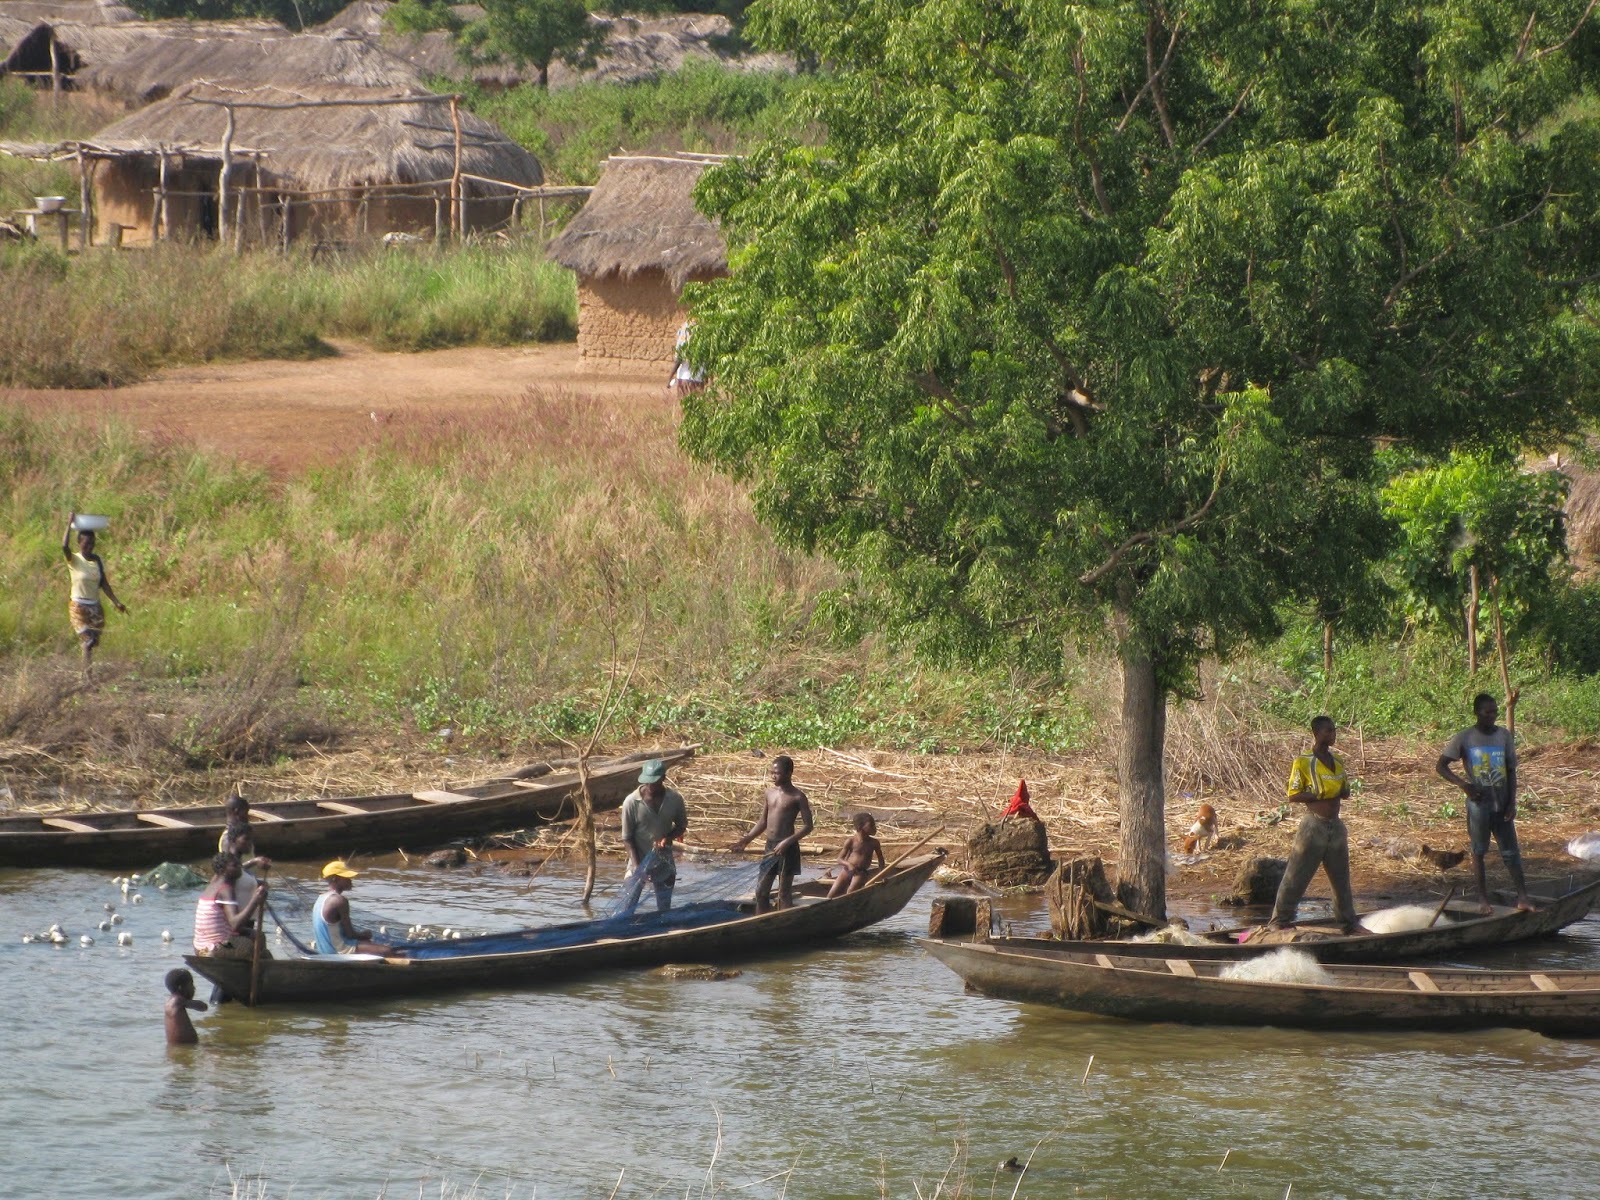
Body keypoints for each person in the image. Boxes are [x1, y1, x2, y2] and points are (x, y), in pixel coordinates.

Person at [1437, 693, 1535, 914]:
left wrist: (1512, 802)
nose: (1492, 716)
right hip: (1479, 805)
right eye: (1487, 712)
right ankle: (1483, 899)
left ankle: (1523, 897)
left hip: (1501, 803)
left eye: (1495, 712)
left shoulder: (1504, 736)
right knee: (1479, 851)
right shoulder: (1465, 738)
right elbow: (1441, 766)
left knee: (1510, 852)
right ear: (1476, 713)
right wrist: (1464, 785)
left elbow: (1511, 770)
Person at [1268, 716, 1364, 935]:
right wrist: (1321, 794)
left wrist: (1339, 791)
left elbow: (1345, 791)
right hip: (1314, 826)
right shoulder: (1304, 762)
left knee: (1341, 879)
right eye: (1328, 731)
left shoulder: (1337, 761)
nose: (1333, 735)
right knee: (1296, 875)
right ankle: (1280, 921)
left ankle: (1348, 923)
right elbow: (1293, 795)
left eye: (1334, 730)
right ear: (1316, 733)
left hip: (1335, 827)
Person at [731, 755, 815, 912]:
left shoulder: (798, 796)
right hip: (770, 846)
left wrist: (787, 842)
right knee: (761, 892)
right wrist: (746, 840)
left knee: (784, 893)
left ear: (789, 773)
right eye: (772, 773)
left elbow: (808, 826)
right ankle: (761, 922)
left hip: (787, 848)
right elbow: (763, 822)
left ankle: (785, 922)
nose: (773, 776)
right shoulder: (769, 793)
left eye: (777, 773)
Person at [62, 511, 128, 677]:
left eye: (92, 543)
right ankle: (87, 676)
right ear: (80, 543)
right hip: (78, 606)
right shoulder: (74, 559)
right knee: (88, 641)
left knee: (94, 641)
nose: (89, 546)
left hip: (95, 606)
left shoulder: (96, 560)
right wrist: (69, 524)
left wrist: (116, 602)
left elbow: (103, 583)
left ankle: (85, 668)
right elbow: (64, 547)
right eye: (86, 543)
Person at [619, 760, 689, 912]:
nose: (650, 785)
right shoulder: (632, 802)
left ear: (663, 778)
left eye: (655, 782)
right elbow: (627, 838)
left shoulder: (675, 799)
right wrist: (638, 867)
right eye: (648, 781)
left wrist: (668, 838)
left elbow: (681, 826)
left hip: (664, 861)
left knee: (664, 909)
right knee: (627, 907)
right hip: (638, 859)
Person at [193, 852, 268, 958]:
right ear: (222, 870)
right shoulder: (225, 889)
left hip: (199, 946)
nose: (239, 868)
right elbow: (235, 925)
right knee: (255, 942)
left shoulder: (212, 886)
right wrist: (256, 899)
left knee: (257, 935)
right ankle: (258, 968)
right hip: (217, 947)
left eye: (239, 864)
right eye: (234, 865)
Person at [312, 860, 391, 955]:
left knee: (368, 943)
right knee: (388, 950)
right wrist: (365, 934)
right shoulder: (340, 901)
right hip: (338, 950)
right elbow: (350, 934)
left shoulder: (321, 898)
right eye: (346, 877)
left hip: (324, 949)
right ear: (334, 879)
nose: (350, 880)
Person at [827, 812, 885, 898]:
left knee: (850, 893)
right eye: (871, 825)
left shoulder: (874, 843)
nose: (874, 828)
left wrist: (881, 874)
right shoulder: (851, 841)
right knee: (831, 894)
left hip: (860, 873)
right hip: (846, 871)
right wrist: (849, 865)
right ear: (861, 827)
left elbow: (881, 860)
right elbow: (839, 859)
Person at [164, 968, 207, 1045]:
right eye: (191, 985)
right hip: (187, 1045)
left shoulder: (168, 1003)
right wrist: (202, 1005)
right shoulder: (179, 1001)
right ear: (181, 988)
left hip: (176, 1046)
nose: (194, 988)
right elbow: (202, 1007)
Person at [668, 321, 707, 394]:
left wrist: (670, 378)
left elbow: (679, 360)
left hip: (685, 378)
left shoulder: (685, 342)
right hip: (699, 379)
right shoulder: (704, 340)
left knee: (684, 399)